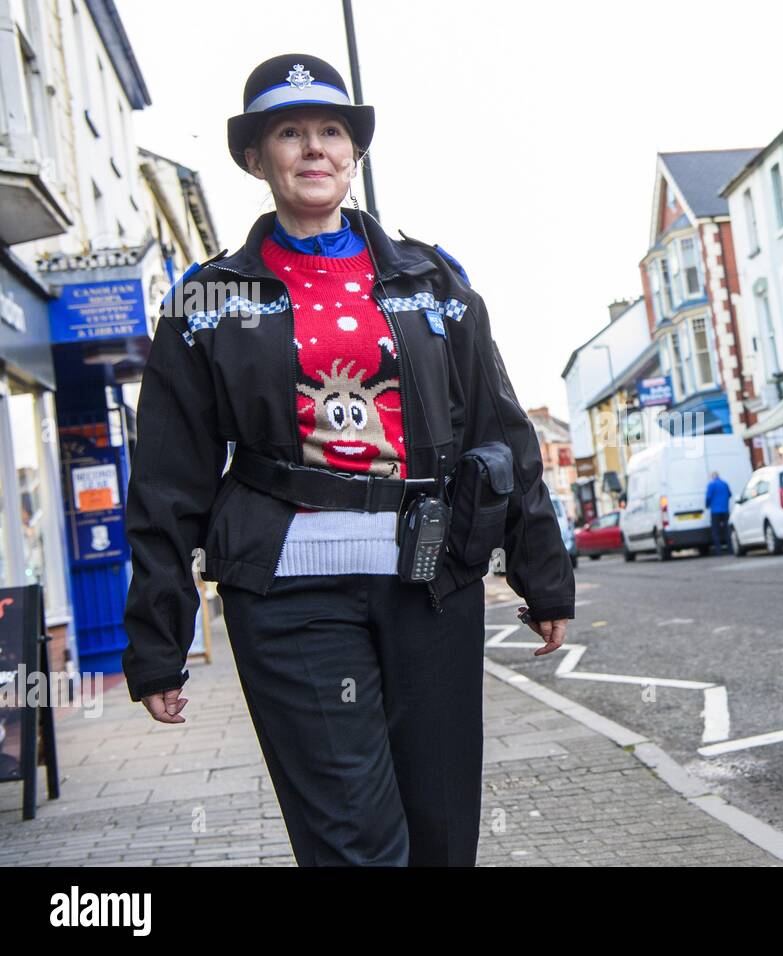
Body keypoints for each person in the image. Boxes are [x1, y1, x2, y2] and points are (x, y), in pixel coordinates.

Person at [119, 53, 575, 866]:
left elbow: (500, 432)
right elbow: (165, 478)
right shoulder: (206, 297)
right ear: (257, 159)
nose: (313, 148)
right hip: (288, 593)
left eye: (331, 130)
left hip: (431, 582)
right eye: (289, 133)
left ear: (354, 153)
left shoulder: (432, 280)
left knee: (439, 836)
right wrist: (159, 640)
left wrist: (543, 573)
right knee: (353, 841)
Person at [705, 470, 732, 555]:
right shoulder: (724, 483)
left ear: (712, 477)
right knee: (727, 530)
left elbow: (708, 497)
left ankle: (718, 551)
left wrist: (707, 505)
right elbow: (730, 494)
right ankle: (730, 549)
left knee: (715, 531)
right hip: (725, 510)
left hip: (715, 511)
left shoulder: (711, 485)